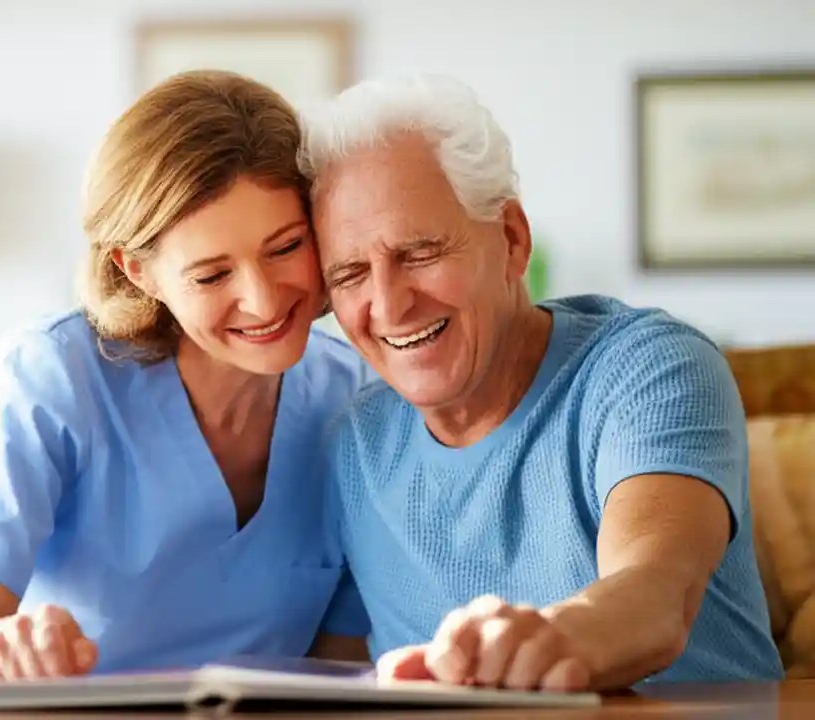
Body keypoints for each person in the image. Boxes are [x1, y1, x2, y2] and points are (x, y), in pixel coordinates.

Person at [0, 70, 373, 684]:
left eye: (286, 247)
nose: (263, 301)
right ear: (139, 272)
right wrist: (6, 648)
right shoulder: (55, 374)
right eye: (212, 275)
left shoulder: (356, 401)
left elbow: (338, 662)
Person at [299, 74, 784, 691]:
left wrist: (558, 638)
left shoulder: (649, 367)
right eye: (350, 274)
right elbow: (333, 666)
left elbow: (657, 592)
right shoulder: (354, 443)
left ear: (511, 240)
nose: (390, 307)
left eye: (419, 253)